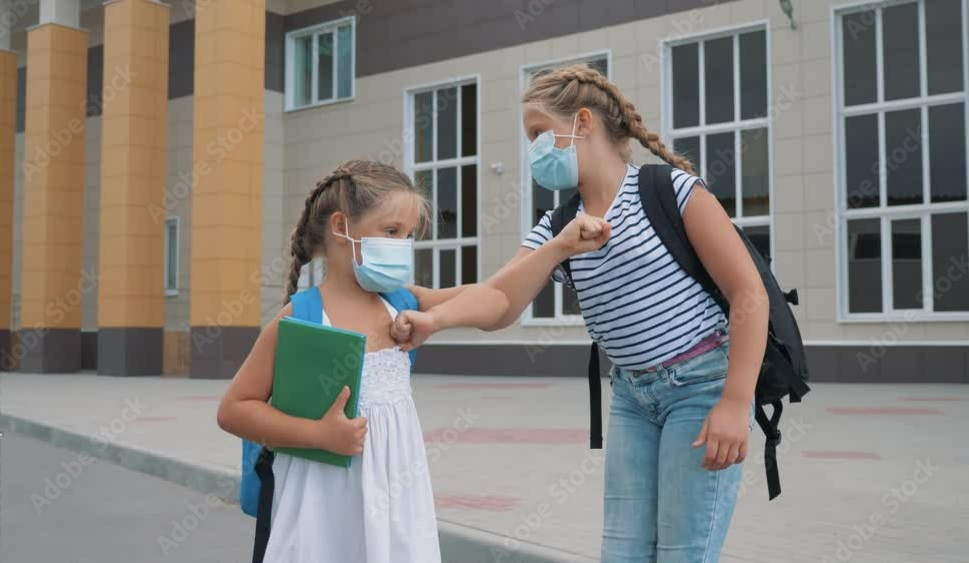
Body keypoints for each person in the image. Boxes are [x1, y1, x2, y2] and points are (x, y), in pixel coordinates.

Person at [390, 64, 769, 563]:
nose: (533, 150)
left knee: (683, 554)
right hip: (633, 398)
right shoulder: (559, 225)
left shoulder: (671, 191)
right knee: (622, 554)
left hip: (701, 388)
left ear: (583, 122)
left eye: (538, 134)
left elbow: (749, 294)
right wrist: (421, 302)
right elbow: (498, 298)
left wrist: (735, 404)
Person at [216, 159, 607, 563]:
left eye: (407, 236)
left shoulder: (402, 302)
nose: (402, 245)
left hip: (397, 500)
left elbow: (494, 301)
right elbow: (234, 409)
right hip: (320, 506)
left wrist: (557, 248)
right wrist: (319, 435)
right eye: (391, 232)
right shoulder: (301, 317)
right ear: (340, 227)